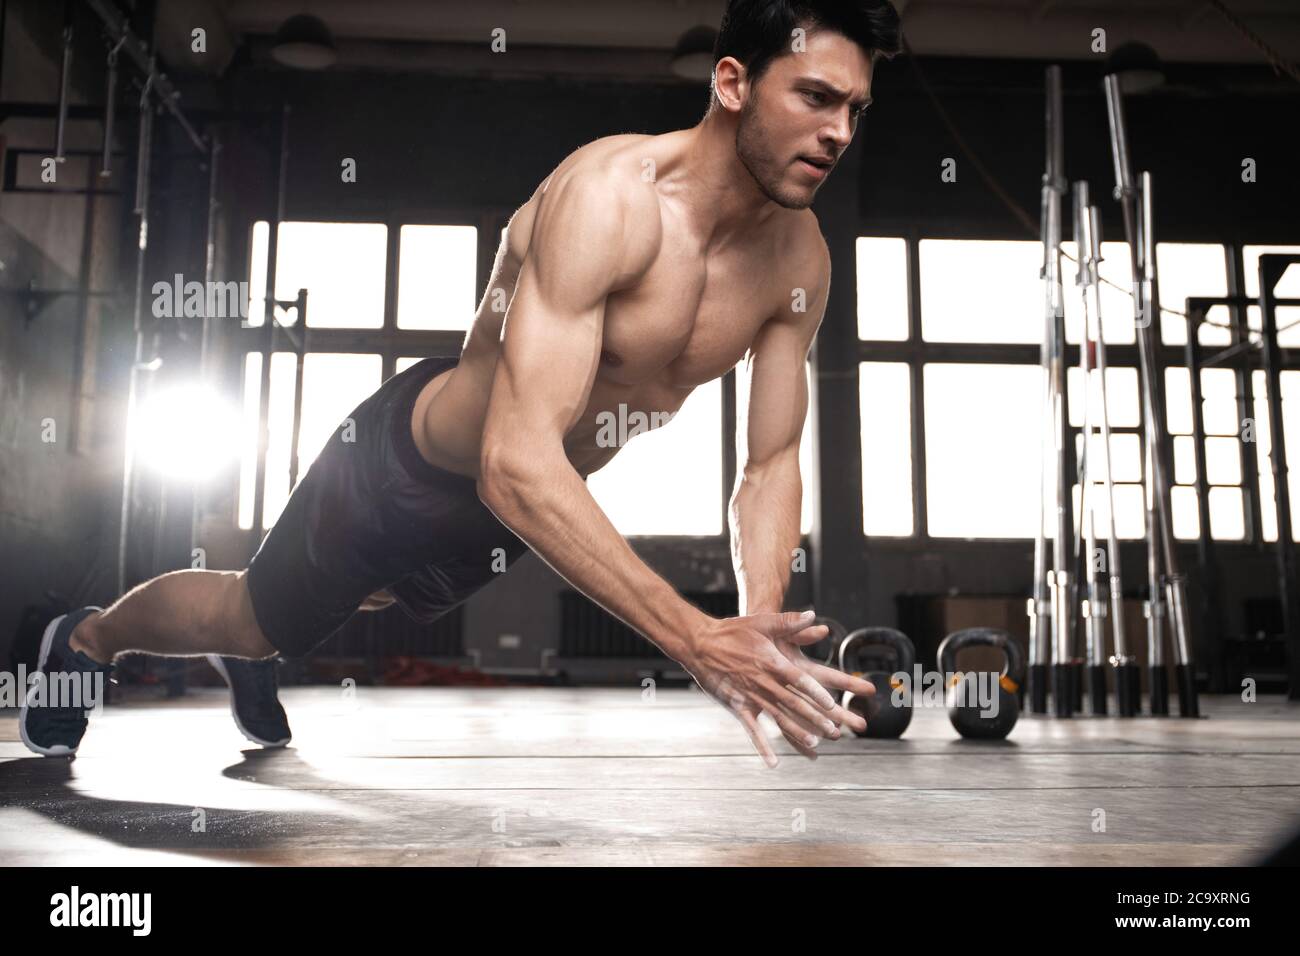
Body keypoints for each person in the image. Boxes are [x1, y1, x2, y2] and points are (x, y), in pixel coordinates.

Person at [21, 0, 902, 767]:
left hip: (513, 513)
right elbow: (512, 461)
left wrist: (760, 632)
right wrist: (698, 641)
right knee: (251, 616)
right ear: (734, 83)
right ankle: (87, 637)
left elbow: (771, 462)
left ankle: (274, 629)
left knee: (356, 597)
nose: (839, 132)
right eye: (816, 97)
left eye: (855, 108)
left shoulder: (800, 259)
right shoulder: (609, 200)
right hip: (413, 470)